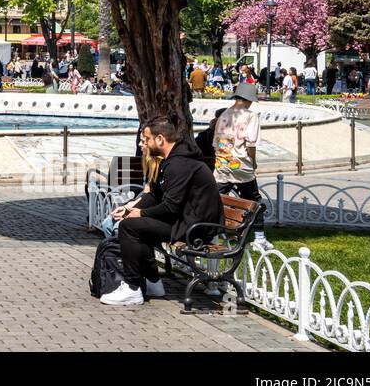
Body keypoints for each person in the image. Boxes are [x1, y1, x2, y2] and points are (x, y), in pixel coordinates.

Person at [102, 116, 222, 306]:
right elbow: (156, 195)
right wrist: (129, 208)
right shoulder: (172, 161)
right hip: (184, 221)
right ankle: (153, 283)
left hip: (195, 229)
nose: (145, 143)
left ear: (160, 139)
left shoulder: (179, 165)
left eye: (147, 139)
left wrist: (139, 214)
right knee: (136, 226)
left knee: (129, 227)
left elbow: (170, 207)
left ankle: (132, 288)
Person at [212, 81, 268, 245]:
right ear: (248, 99)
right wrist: (253, 162)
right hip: (241, 165)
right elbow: (251, 144)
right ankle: (259, 237)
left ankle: (212, 231)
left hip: (222, 163)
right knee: (253, 200)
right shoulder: (251, 116)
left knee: (216, 197)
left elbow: (216, 142)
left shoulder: (224, 115)